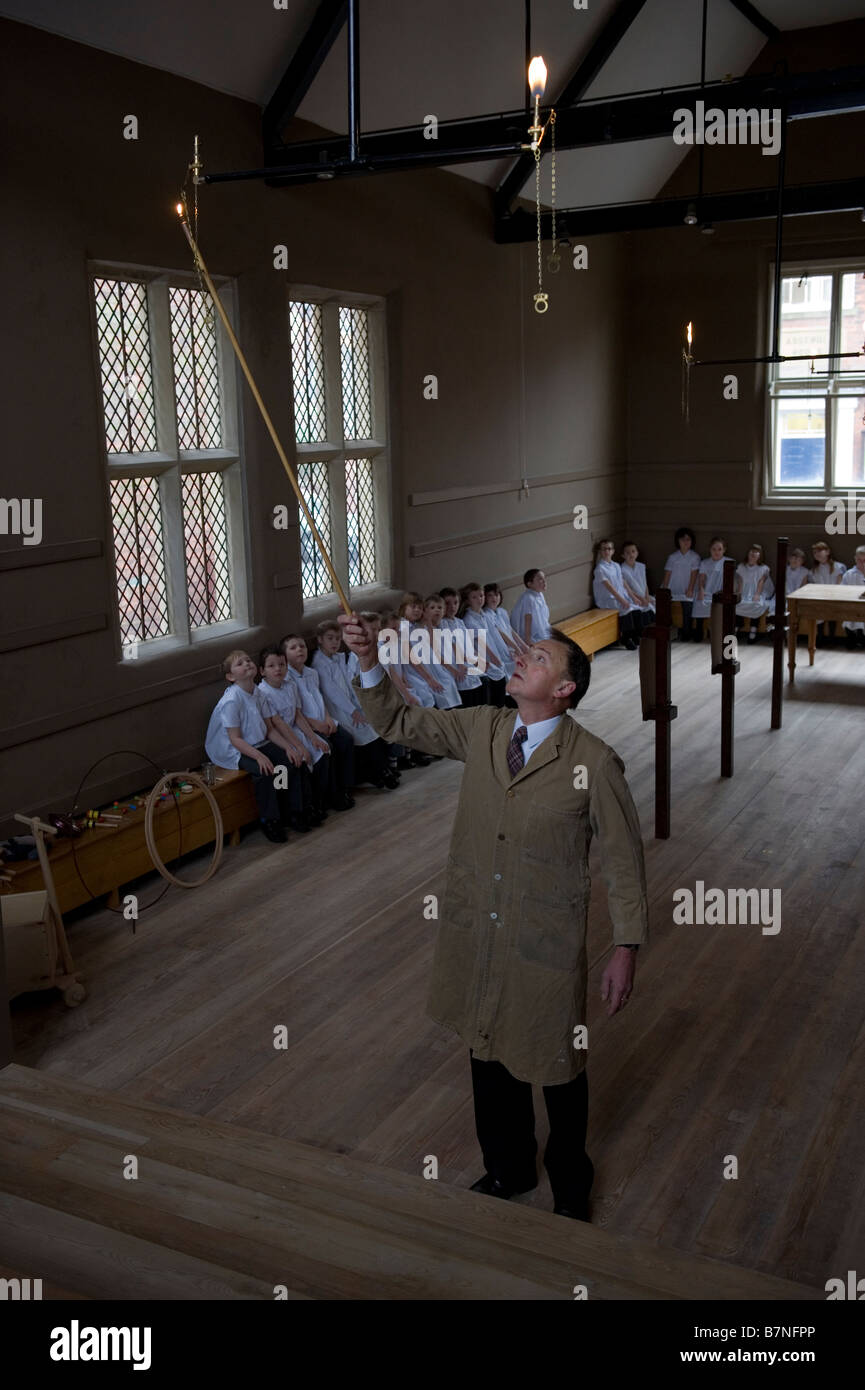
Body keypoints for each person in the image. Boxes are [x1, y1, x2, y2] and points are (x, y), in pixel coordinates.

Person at [338, 612, 648, 1222]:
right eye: (526, 653)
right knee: (487, 1049)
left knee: (556, 1061)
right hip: (479, 925)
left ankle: (569, 1183)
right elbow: (398, 721)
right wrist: (370, 660)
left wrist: (626, 947)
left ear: (564, 689)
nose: (522, 660)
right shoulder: (482, 727)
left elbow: (624, 860)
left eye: (538, 659)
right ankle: (507, 1169)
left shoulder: (594, 762)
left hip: (545, 939)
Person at [204, 650, 307, 843]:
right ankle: (270, 819)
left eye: (248, 660)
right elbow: (235, 739)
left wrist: (289, 748)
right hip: (233, 749)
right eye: (240, 664)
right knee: (265, 771)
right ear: (230, 676)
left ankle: (291, 812)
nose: (247, 664)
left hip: (257, 741)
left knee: (287, 763)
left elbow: (269, 730)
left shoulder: (258, 693)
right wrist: (259, 757)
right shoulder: (232, 700)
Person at [312, 620, 398, 790]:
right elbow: (332, 693)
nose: (335, 642)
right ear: (320, 639)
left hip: (349, 704)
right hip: (335, 710)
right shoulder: (319, 663)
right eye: (330, 638)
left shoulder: (338, 658)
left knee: (371, 727)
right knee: (361, 731)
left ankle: (381, 770)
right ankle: (376, 773)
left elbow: (350, 682)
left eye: (337, 638)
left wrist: (359, 705)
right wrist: (352, 712)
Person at [280, 634, 355, 812]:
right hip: (306, 725)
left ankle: (343, 789)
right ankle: (327, 797)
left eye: (302, 646)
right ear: (285, 655)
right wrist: (315, 725)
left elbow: (319, 699)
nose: (300, 650)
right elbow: (295, 711)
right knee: (328, 748)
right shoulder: (287, 679)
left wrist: (328, 718)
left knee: (346, 740)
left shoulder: (311, 672)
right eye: (293, 647)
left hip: (323, 720)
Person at [258, 645, 329, 826]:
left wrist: (313, 737)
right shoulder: (263, 693)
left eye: (281, 664)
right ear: (262, 671)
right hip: (275, 737)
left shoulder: (290, 686)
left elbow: (297, 715)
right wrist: (299, 746)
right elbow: (278, 724)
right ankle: (295, 812)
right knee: (295, 764)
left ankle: (315, 804)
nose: (278, 669)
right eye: (272, 666)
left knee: (323, 751)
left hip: (292, 731)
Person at [440, 588, 486, 707]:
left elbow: (468, 643)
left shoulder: (459, 622)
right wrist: (461, 663)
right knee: (468, 698)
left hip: (469, 662)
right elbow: (452, 644)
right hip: (458, 665)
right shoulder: (442, 623)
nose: (452, 607)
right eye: (447, 603)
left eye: (455, 603)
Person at [591, 540, 640, 650]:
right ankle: (626, 638)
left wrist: (633, 597)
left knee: (636, 607)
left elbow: (622, 582)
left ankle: (635, 635)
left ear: (613, 551)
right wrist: (622, 600)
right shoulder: (600, 569)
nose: (607, 551)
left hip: (620, 595)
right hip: (608, 598)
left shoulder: (616, 565)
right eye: (604, 549)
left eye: (609, 549)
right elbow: (609, 587)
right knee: (626, 608)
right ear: (600, 551)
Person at [662, 527, 700, 642]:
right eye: (683, 539)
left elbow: (694, 574)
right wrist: (665, 589)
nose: (685, 542)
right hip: (673, 586)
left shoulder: (695, 557)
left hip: (688, 587)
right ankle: (668, 630)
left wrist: (690, 589)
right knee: (664, 604)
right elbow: (668, 574)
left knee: (687, 605)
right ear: (678, 541)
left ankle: (686, 632)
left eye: (688, 539)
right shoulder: (673, 557)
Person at [691, 537, 729, 643]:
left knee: (718, 606)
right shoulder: (705, 563)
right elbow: (702, 578)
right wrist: (701, 590)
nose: (716, 552)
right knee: (699, 602)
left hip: (720, 592)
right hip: (707, 592)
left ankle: (715, 633)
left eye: (719, 549)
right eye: (714, 549)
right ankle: (699, 629)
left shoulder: (728, 562)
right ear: (710, 549)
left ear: (724, 550)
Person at [735, 544, 771, 642]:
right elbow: (740, 581)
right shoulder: (742, 567)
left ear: (760, 555)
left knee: (756, 604)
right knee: (738, 603)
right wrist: (739, 594)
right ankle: (737, 626)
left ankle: (753, 629)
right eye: (751, 551)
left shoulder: (763, 568)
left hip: (757, 591)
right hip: (745, 591)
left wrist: (757, 594)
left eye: (756, 552)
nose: (753, 554)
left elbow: (761, 582)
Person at [619, 542, 655, 640]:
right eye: (627, 553)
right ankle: (639, 634)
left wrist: (646, 597)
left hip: (644, 596)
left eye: (633, 551)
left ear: (637, 553)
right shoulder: (622, 569)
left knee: (653, 611)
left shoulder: (641, 566)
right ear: (623, 555)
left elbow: (645, 583)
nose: (631, 554)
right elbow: (627, 588)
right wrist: (640, 598)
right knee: (641, 615)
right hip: (633, 597)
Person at [510, 568, 551, 645]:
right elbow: (527, 619)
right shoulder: (528, 597)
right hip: (529, 635)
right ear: (530, 584)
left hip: (538, 632)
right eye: (540, 579)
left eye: (544, 578)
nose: (544, 581)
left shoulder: (539, 594)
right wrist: (528, 641)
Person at [840, 544, 865, 649]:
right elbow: (842, 589)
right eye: (859, 560)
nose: (862, 563)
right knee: (849, 618)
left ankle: (861, 638)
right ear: (855, 559)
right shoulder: (849, 574)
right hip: (852, 603)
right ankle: (851, 638)